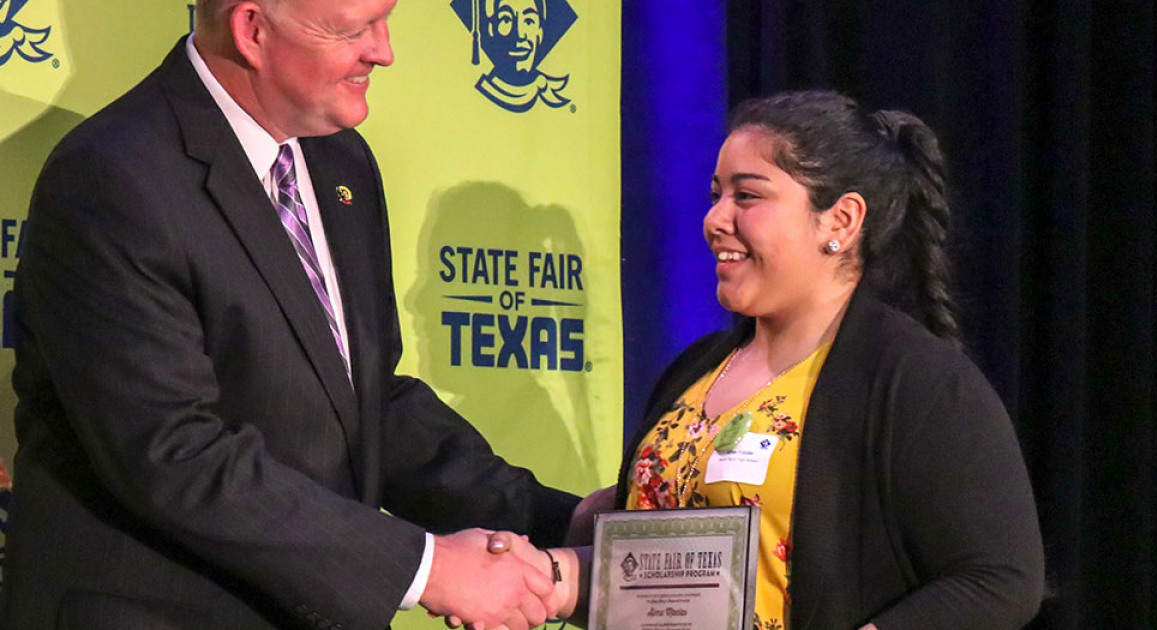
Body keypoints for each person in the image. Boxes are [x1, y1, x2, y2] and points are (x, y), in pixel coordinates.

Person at [3, 0, 586, 628]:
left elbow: (367, 406)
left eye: (385, 22)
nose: (383, 51)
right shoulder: (114, 175)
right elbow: (172, 452)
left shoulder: (341, 161)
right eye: (354, 29)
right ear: (252, 29)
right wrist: (430, 568)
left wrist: (563, 522)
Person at [498, 90, 1046, 629]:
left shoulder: (915, 382)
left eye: (748, 197)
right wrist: (553, 574)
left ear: (840, 221)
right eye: (716, 195)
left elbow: (1000, 579)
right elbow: (657, 572)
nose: (716, 220)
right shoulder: (695, 369)